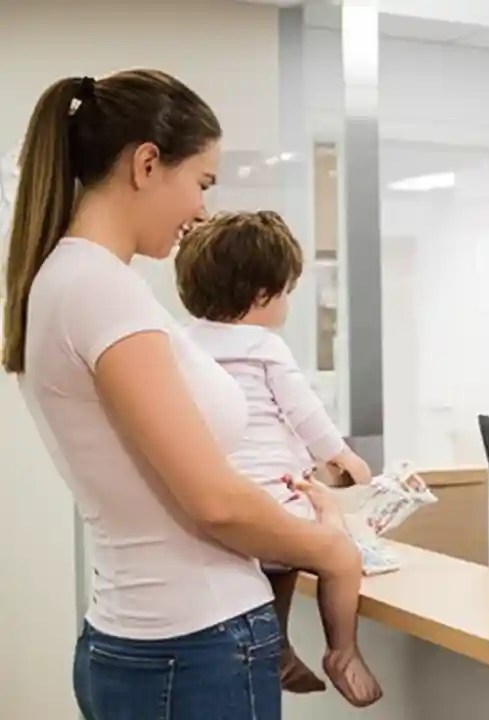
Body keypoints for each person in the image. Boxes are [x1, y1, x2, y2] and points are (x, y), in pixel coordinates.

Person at [3, 70, 364, 719]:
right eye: (201, 182)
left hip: (143, 639)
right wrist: (330, 549)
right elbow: (214, 502)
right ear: (146, 164)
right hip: (194, 647)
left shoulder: (66, 281)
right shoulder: (99, 289)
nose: (201, 210)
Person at [174, 210, 380, 704]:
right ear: (262, 294)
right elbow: (305, 412)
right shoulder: (265, 346)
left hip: (220, 498)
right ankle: (342, 650)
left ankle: (280, 644)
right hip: (275, 496)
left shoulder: (180, 343)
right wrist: (344, 458)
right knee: (339, 557)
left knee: (273, 559)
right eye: (285, 292)